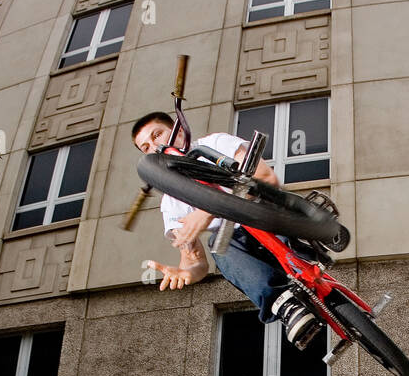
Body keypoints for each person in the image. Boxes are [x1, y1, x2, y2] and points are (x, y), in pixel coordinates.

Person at [131, 111, 320, 347]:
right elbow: (194, 261)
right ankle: (286, 306)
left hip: (267, 214)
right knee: (218, 244)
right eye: (146, 147)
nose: (154, 147)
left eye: (157, 135)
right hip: (242, 246)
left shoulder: (214, 144)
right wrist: (187, 273)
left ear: (178, 131)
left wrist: (207, 210)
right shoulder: (171, 203)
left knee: (246, 217)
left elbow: (265, 178)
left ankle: (303, 252)